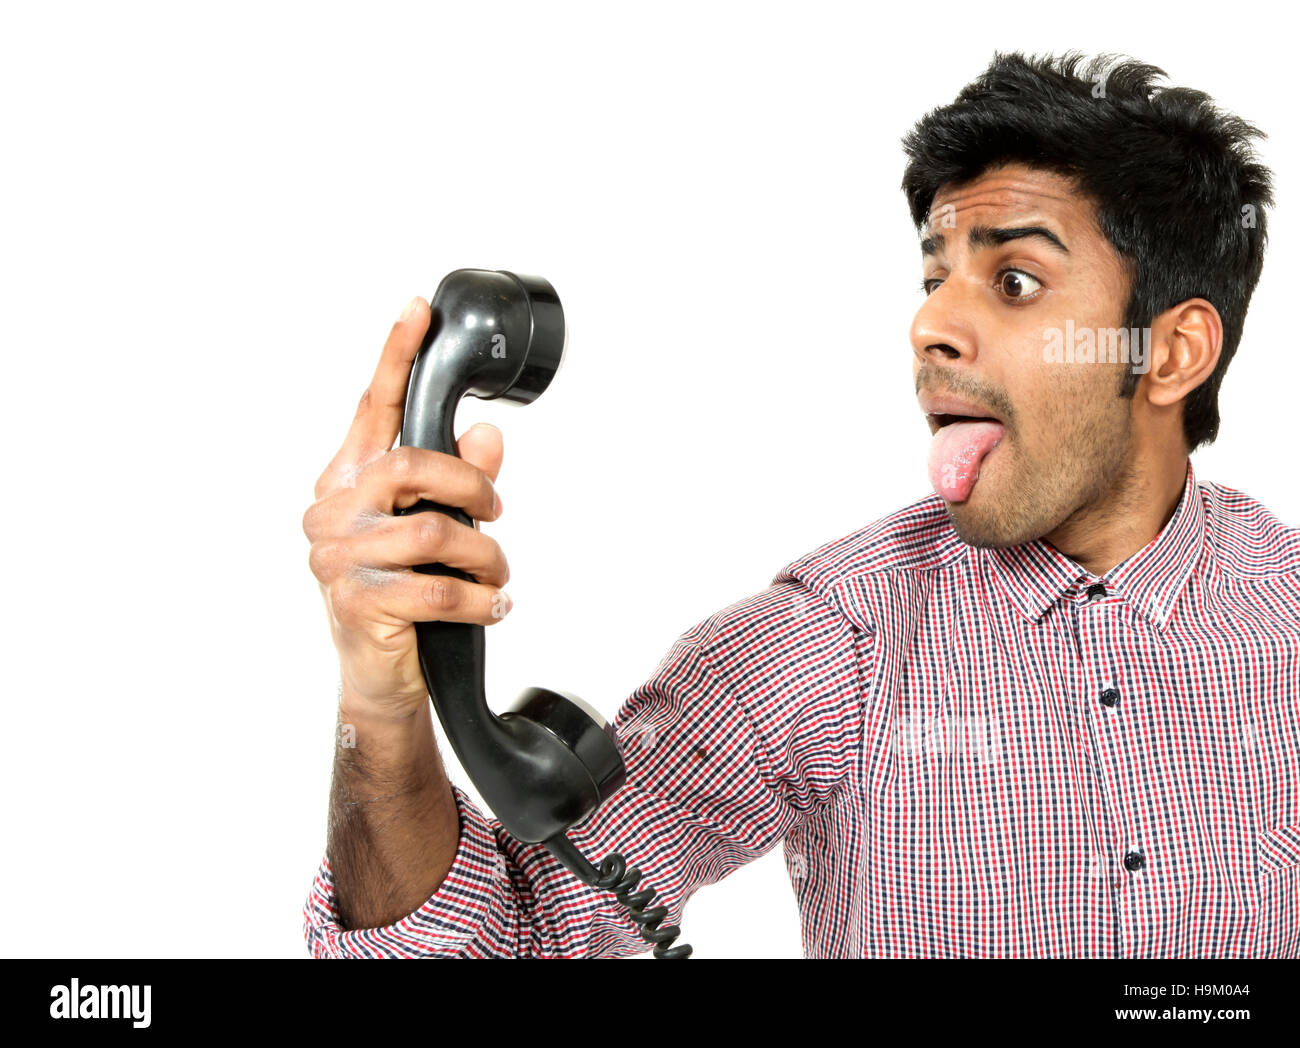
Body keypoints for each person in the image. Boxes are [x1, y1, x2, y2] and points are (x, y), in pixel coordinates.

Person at [299, 51, 1296, 958]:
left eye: (1016, 279)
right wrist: (381, 704)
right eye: (933, 278)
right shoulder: (825, 644)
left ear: (1169, 352)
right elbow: (504, 946)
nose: (931, 324)